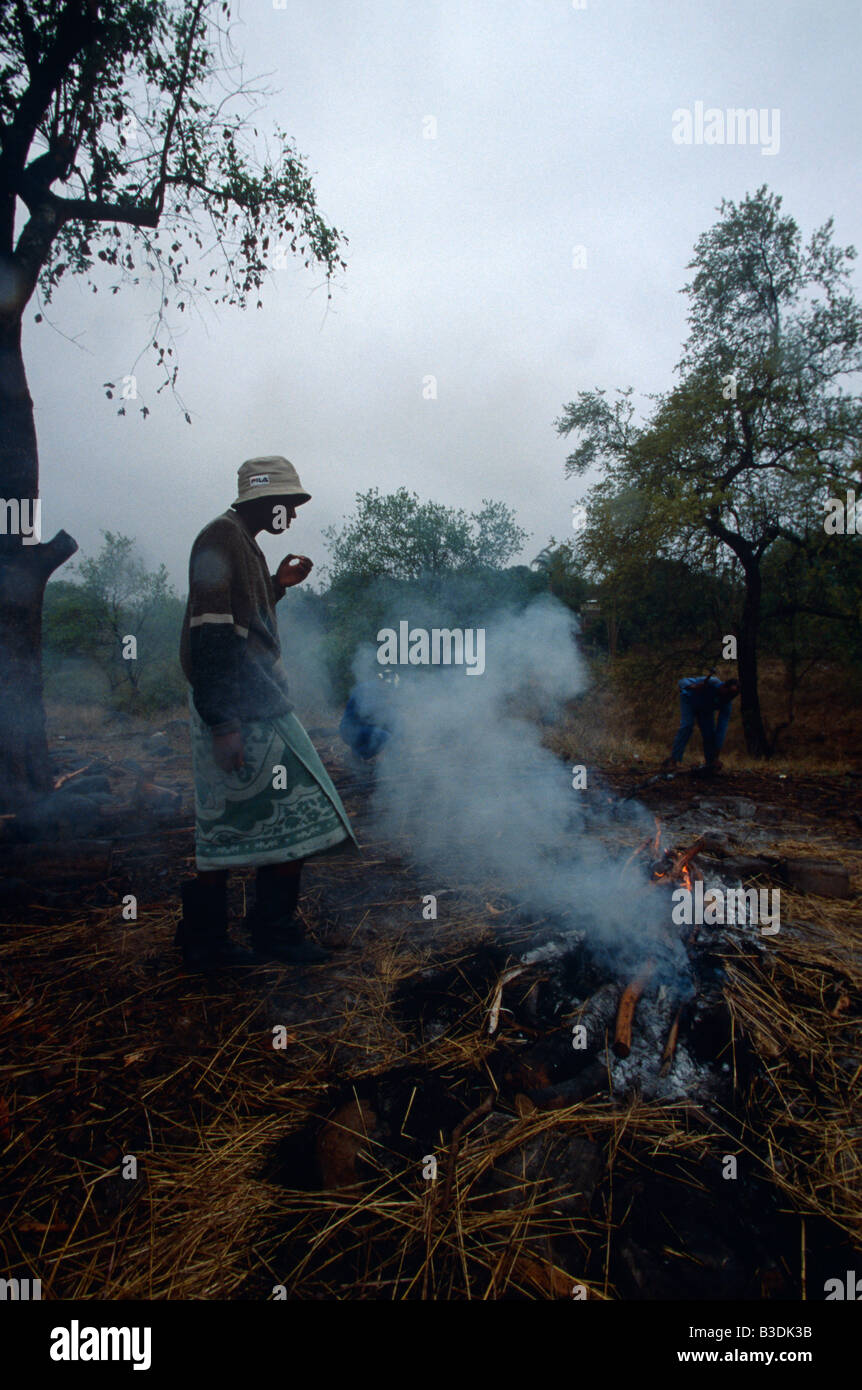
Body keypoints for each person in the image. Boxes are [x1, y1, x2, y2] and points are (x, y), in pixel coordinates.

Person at [177, 455, 357, 971]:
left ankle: (213, 937)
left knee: (237, 821)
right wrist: (224, 724)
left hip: (252, 703)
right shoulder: (219, 539)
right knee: (288, 810)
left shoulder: (242, 543)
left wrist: (277, 585)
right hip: (239, 708)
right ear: (264, 501)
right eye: (289, 505)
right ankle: (250, 935)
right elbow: (211, 636)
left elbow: (244, 620)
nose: (294, 516)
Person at [665, 671, 740, 772]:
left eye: (732, 696)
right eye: (728, 693)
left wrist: (716, 752)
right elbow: (682, 682)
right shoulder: (712, 682)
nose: (728, 697)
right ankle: (673, 759)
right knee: (687, 725)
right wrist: (693, 687)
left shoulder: (726, 703)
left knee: (709, 734)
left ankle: (710, 762)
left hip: (705, 710)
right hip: (689, 700)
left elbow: (721, 728)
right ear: (724, 687)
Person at [339, 671, 399, 762]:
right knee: (385, 737)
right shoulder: (365, 690)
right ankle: (356, 756)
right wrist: (384, 704)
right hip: (351, 730)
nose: (389, 691)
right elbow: (363, 712)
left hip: (364, 726)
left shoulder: (378, 690)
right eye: (390, 687)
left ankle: (360, 756)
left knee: (394, 729)